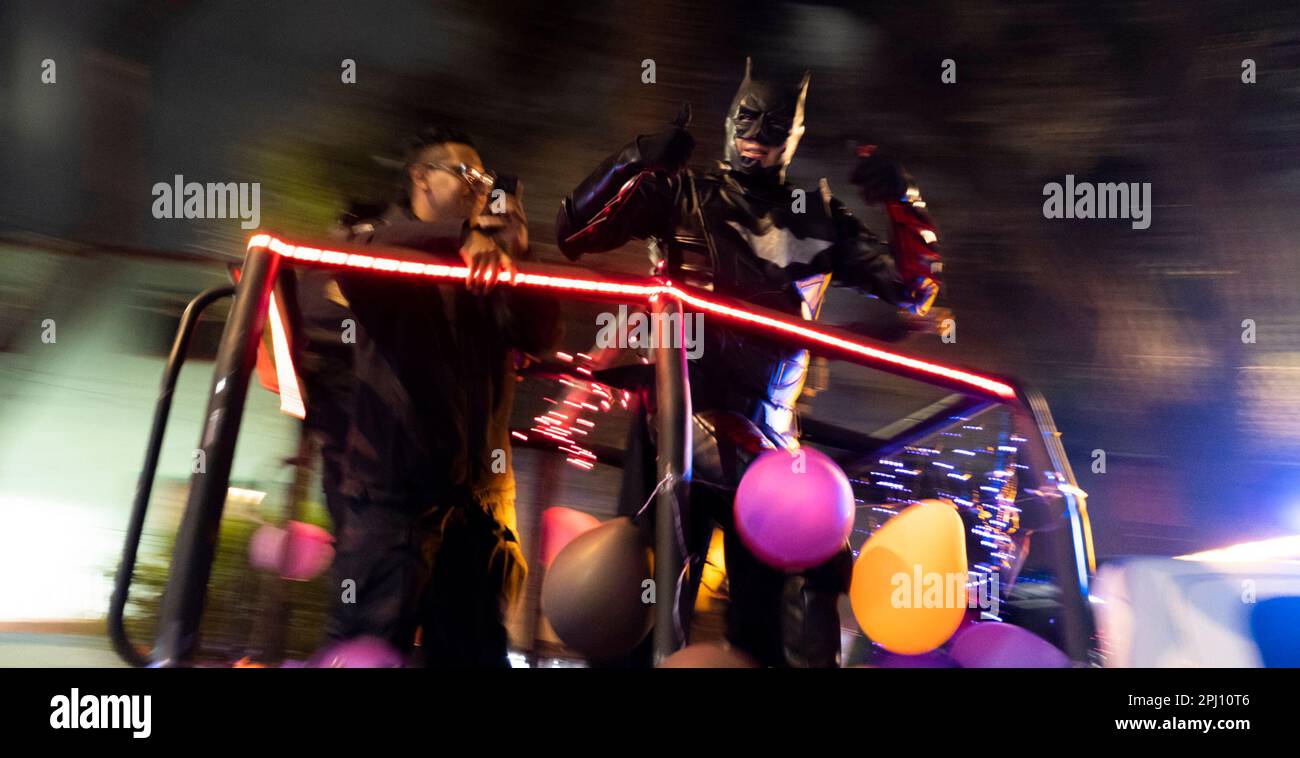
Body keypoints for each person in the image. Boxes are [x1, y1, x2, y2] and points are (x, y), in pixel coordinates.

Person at [555, 59, 942, 667]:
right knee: (634, 610)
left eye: (775, 122)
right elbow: (573, 232)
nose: (757, 132)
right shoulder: (681, 193)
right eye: (748, 116)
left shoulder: (817, 214)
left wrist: (904, 197)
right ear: (730, 116)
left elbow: (914, 290)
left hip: (767, 450)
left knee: (763, 631)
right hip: (672, 431)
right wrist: (633, 159)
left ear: (794, 134)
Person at [323, 125, 560, 667]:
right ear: (420, 179)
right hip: (395, 495)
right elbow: (357, 255)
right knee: (369, 642)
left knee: (476, 653)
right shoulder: (384, 242)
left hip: (481, 501)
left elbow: (542, 337)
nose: (480, 187)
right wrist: (461, 236)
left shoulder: (494, 269)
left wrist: (518, 254)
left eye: (485, 178)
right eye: (465, 174)